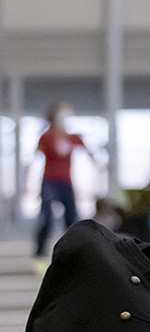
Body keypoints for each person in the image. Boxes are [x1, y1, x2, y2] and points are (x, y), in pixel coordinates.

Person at [33, 101, 97, 261]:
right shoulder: (46, 137)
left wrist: (101, 165)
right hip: (49, 181)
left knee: (71, 219)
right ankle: (39, 255)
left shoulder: (73, 137)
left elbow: (91, 154)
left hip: (66, 182)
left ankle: (73, 253)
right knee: (46, 218)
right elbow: (35, 156)